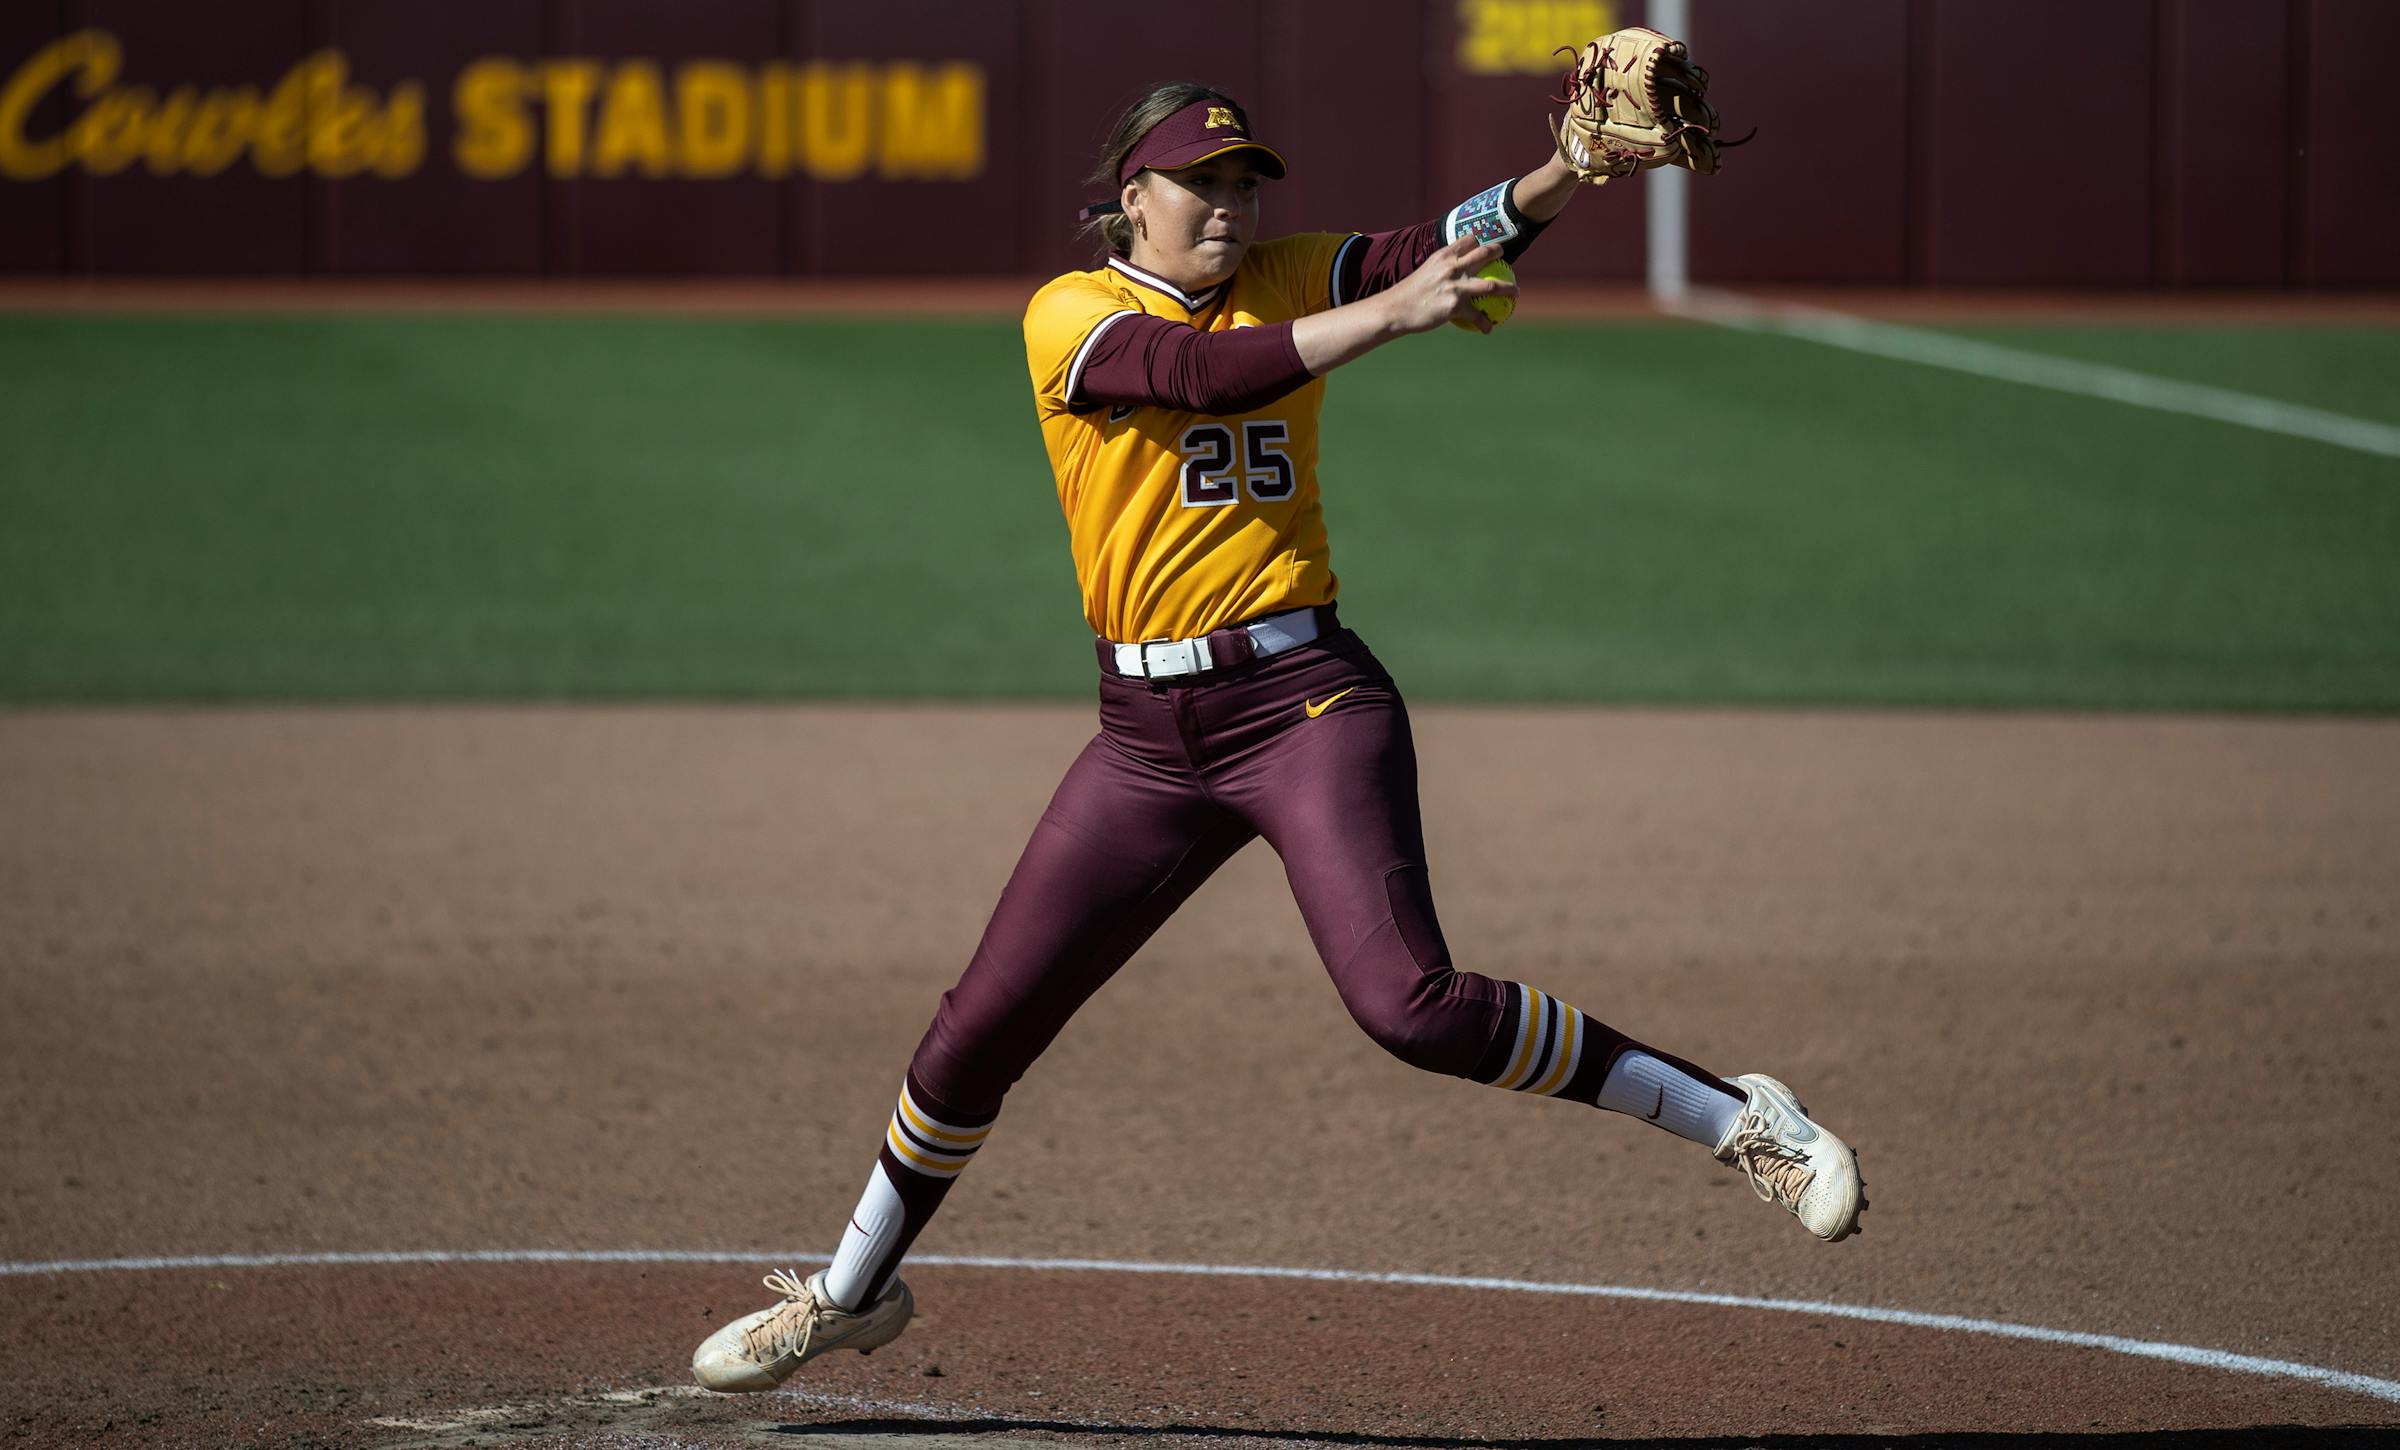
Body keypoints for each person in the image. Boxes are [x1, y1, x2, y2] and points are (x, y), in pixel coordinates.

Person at [692, 75, 1863, 1394]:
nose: (1231, 207)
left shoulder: (1291, 272)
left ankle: (1741, 1119)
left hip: (1303, 703)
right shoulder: (1071, 315)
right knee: (976, 1032)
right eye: (1205, 183)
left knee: (1409, 1005)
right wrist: (1385, 316)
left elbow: (1437, 248)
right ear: (1132, 196)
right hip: (1142, 740)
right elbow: (1195, 374)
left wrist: (1563, 177)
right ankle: (847, 1295)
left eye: (1246, 183)